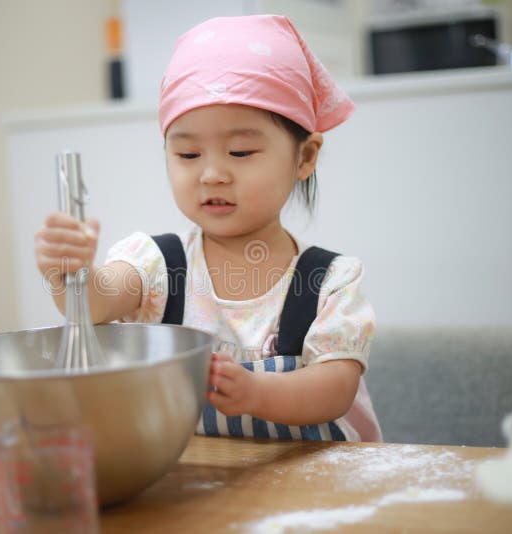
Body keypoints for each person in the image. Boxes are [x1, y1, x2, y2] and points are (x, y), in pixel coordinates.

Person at [35, 15, 381, 442]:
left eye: (240, 151)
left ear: (305, 157)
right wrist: (71, 273)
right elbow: (94, 306)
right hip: (201, 489)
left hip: (311, 490)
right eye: (187, 154)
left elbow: (336, 389)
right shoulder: (156, 265)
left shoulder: (330, 281)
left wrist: (257, 391)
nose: (212, 173)